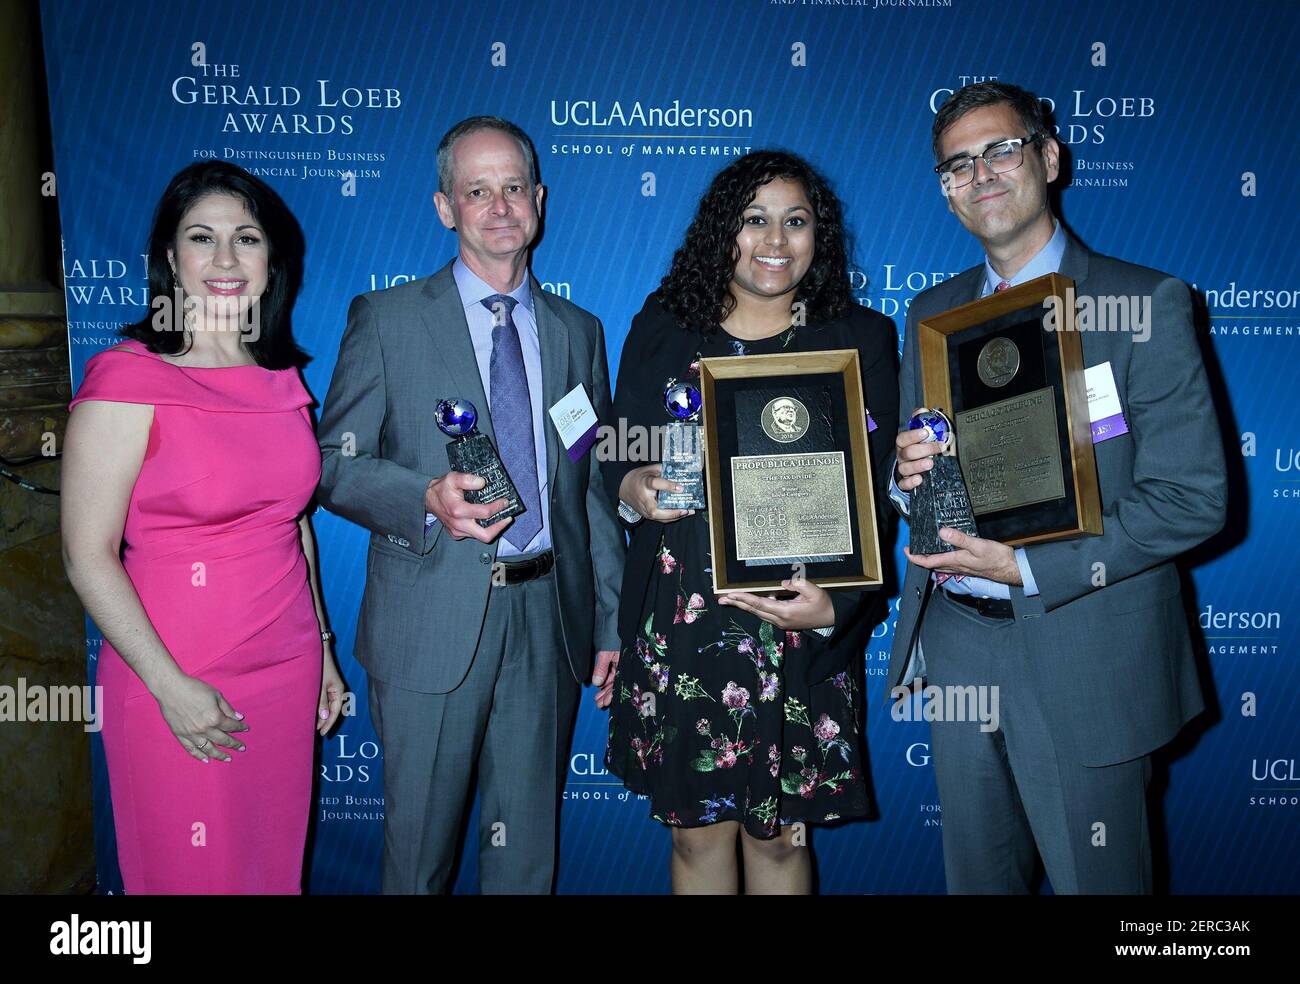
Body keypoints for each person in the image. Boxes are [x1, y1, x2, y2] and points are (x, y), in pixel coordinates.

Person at [890, 81, 1226, 894]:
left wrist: (1032, 569)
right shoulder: (930, 313)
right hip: (960, 642)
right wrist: (908, 485)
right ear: (945, 188)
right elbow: (918, 475)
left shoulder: (1142, 303)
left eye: (1002, 150)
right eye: (958, 165)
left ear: (1048, 155)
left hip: (1086, 645)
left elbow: (1194, 497)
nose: (983, 175)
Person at [315, 116, 624, 894]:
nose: (498, 206)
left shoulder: (578, 333)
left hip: (549, 619)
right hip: (430, 623)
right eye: (475, 190)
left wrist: (611, 620)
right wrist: (419, 496)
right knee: (418, 859)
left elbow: (586, 487)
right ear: (444, 207)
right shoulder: (385, 321)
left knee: (524, 860)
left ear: (539, 201)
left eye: (513, 187)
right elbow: (329, 465)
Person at [602, 151, 899, 894]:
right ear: (722, 232)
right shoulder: (666, 325)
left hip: (798, 627)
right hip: (682, 626)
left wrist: (842, 604)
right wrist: (634, 483)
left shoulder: (860, 336)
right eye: (754, 219)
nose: (775, 239)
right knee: (698, 847)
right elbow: (616, 445)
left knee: (781, 846)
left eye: (795, 221)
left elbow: (884, 494)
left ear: (816, 236)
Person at [62, 161, 343, 894]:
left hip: (285, 675)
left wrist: (322, 650)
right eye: (202, 238)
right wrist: (169, 686)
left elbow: (294, 527)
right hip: (175, 677)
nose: (225, 259)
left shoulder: (283, 381)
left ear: (271, 260)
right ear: (168, 259)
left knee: (265, 874)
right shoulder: (125, 381)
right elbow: (86, 556)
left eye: (246, 238)